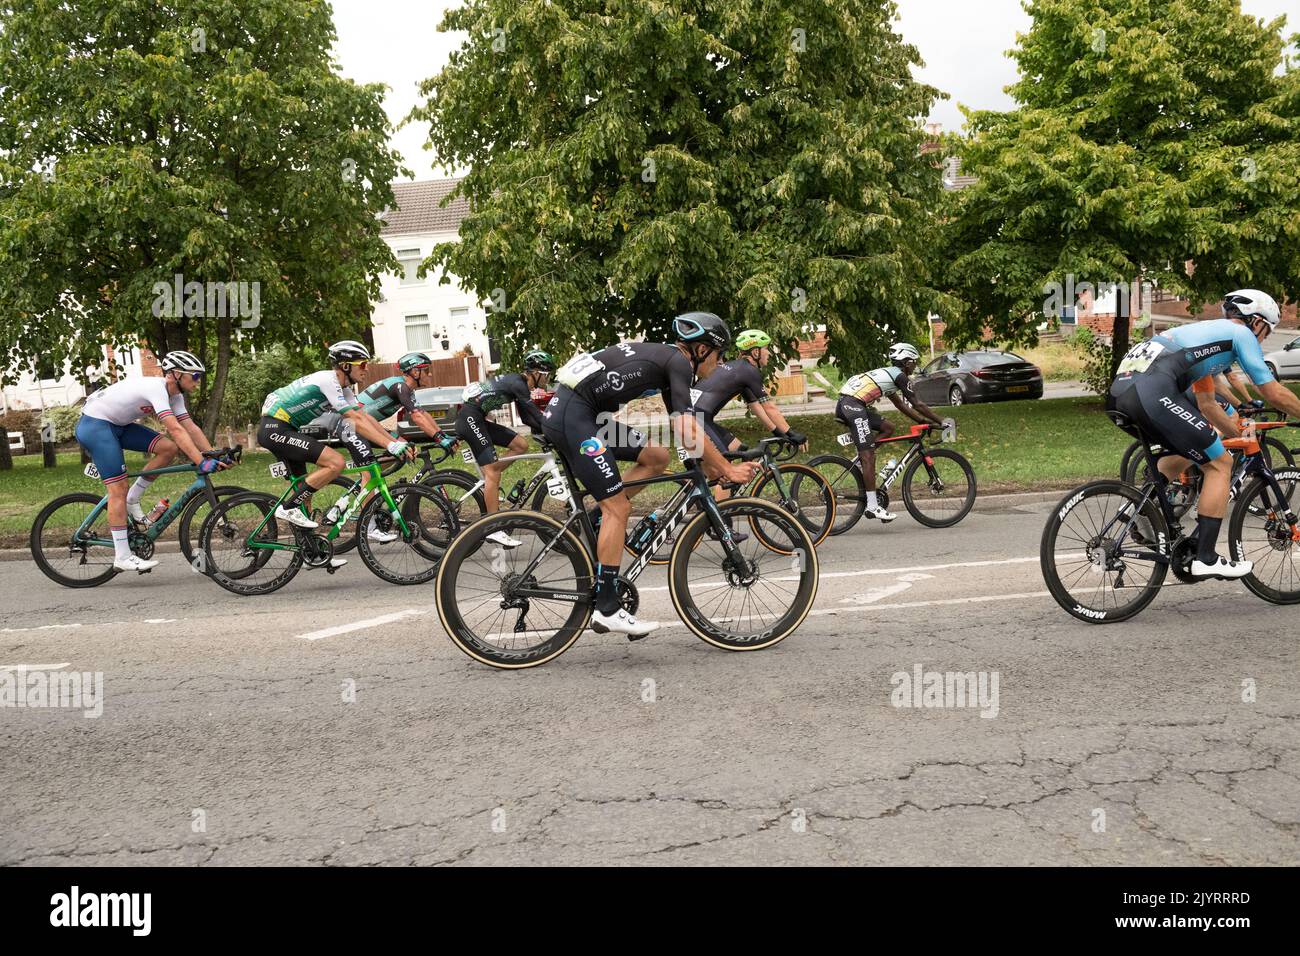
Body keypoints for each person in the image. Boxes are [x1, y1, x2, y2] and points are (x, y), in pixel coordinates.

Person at [540, 312, 758, 637]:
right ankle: (608, 608)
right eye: (719, 354)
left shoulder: (669, 362)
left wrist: (716, 469)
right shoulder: (680, 364)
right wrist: (726, 468)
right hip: (575, 418)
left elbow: (684, 429)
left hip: (578, 412)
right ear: (701, 350)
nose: (721, 362)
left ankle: (599, 516)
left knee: (656, 456)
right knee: (620, 508)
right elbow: (687, 428)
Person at [1109, 290, 1300, 579]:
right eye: (1266, 331)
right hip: (1151, 391)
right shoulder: (1240, 334)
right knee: (1220, 464)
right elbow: (1272, 391)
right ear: (1257, 322)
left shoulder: (1205, 339)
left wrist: (1239, 436)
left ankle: (1137, 509)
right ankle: (1206, 557)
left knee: (1189, 451)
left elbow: (1208, 405)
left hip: (1120, 394)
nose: (1262, 339)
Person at [258, 340, 413, 569]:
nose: (366, 368)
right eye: (362, 364)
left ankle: (311, 554)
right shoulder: (328, 381)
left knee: (305, 493)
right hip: (275, 429)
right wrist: (390, 447)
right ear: (346, 366)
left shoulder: (345, 388)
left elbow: (365, 417)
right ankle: (287, 508)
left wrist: (393, 441)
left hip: (286, 429)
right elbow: (355, 420)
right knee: (336, 462)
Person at [75, 350, 232, 572]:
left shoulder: (175, 396)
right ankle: (122, 556)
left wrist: (213, 454)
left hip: (117, 425)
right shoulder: (156, 389)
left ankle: (133, 498)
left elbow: (190, 427)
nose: (198, 382)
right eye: (195, 376)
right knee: (117, 489)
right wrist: (200, 461)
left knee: (167, 449)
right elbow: (175, 429)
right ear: (176, 374)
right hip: (95, 425)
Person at [836, 343, 950, 522]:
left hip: (851, 404)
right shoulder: (899, 376)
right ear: (906, 362)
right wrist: (941, 421)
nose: (915, 366)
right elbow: (918, 403)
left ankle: (862, 458)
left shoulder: (889, 375)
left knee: (888, 428)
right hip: (852, 405)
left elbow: (901, 405)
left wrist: (922, 421)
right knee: (869, 456)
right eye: (913, 362)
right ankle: (873, 506)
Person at [455, 350, 555, 546]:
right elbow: (535, 414)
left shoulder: (518, 384)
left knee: (520, 445)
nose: (548, 378)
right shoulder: (518, 384)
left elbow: (527, 418)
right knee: (493, 473)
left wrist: (544, 433)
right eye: (546, 374)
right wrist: (554, 429)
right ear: (536, 373)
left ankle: (490, 482)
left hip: (476, 418)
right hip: (470, 418)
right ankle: (494, 528)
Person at [692, 328, 808, 460]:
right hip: (695, 419)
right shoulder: (749, 371)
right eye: (766, 349)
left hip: (691, 416)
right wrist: (791, 433)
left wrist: (780, 434)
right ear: (755, 352)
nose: (769, 353)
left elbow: (757, 408)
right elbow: (769, 408)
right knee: (722, 469)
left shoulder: (738, 369)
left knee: (738, 449)